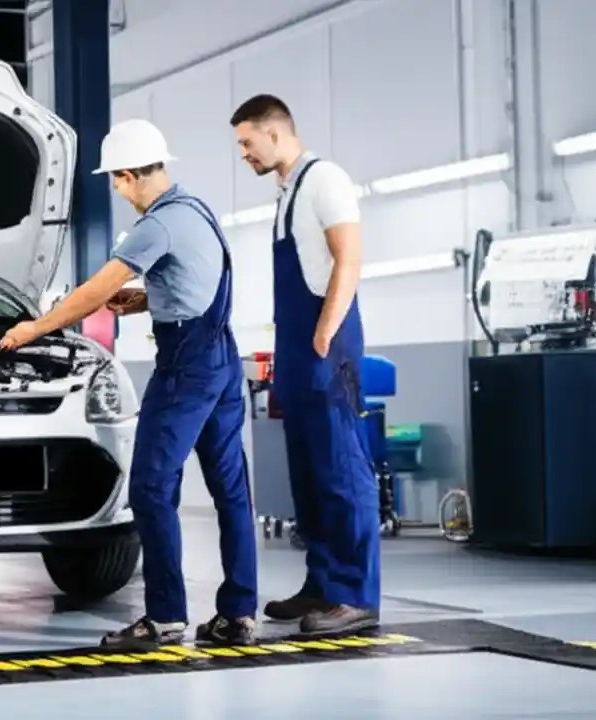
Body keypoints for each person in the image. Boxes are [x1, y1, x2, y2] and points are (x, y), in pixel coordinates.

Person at [0, 118, 258, 648]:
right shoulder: (196, 211)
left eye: (117, 179)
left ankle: (163, 618)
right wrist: (144, 301)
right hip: (224, 358)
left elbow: (94, 291)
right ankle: (238, 613)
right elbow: (192, 283)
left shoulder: (155, 226)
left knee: (151, 487)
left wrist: (34, 327)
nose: (117, 189)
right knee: (231, 490)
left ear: (133, 173)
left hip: (187, 366)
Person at [228, 93, 380, 634]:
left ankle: (355, 595)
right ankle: (322, 584)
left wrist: (322, 333)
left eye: (247, 142)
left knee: (342, 470)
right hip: (296, 346)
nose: (243, 153)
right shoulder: (285, 190)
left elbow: (350, 257)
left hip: (326, 346)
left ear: (275, 132)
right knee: (310, 475)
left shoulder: (325, 179)